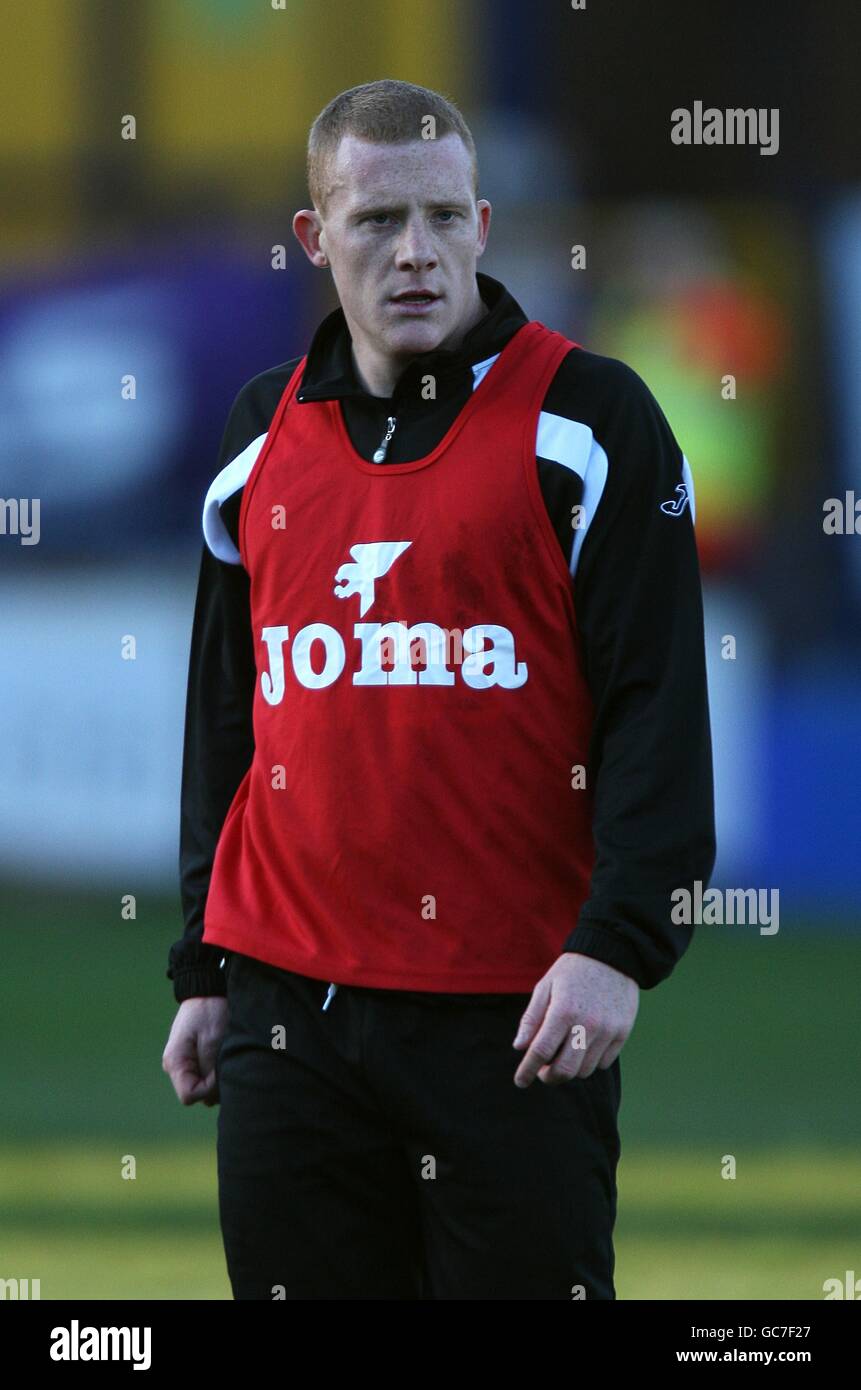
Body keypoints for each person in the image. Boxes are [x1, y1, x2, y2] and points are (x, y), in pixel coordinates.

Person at [162, 78, 715, 1300]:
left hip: (511, 1024)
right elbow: (225, 722)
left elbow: (657, 710)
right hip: (285, 1016)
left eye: (442, 218)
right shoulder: (261, 436)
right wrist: (204, 963)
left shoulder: (590, 419)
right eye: (375, 222)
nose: (414, 253)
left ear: (481, 223)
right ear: (316, 238)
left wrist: (619, 944)